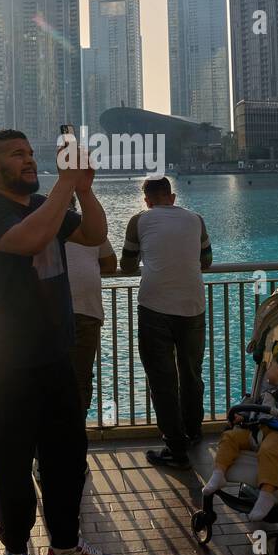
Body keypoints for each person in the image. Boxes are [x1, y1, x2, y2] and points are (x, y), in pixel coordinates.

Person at [0, 129, 116, 555]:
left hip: (54, 356)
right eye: (17, 155)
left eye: (30, 153)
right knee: (9, 462)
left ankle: (65, 547)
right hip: (0, 363)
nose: (29, 161)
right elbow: (30, 241)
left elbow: (93, 233)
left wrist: (84, 190)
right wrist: (67, 185)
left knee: (66, 459)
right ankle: (14, 552)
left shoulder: (45, 204)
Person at [119, 176, 213, 469]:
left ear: (147, 200)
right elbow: (206, 261)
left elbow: (128, 265)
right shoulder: (196, 219)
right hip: (193, 305)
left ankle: (175, 447)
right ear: (171, 197)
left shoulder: (139, 220)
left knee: (162, 380)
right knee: (191, 372)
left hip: (155, 306)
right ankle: (194, 431)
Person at [201, 344, 278, 520]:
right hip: (257, 429)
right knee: (230, 437)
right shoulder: (266, 391)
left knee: (269, 450)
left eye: (272, 364)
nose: (267, 367)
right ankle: (219, 473)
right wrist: (242, 417)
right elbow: (254, 409)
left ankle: (266, 495)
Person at [64, 213, 116, 416]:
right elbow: (110, 265)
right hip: (87, 312)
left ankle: (53, 437)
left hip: (50, 315)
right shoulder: (89, 227)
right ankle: (76, 432)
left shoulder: (43, 224)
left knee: (47, 375)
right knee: (81, 376)